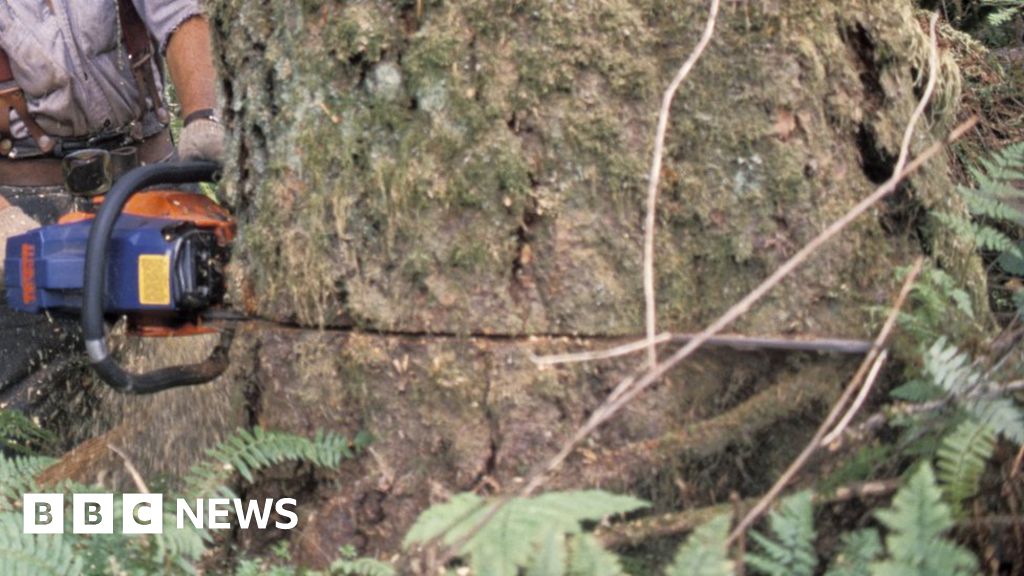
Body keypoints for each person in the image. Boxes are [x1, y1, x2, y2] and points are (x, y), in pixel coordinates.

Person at [0, 1, 224, 402]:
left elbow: (181, 15)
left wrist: (204, 115)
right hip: (27, 200)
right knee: (29, 401)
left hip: (146, 180)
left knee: (190, 357)